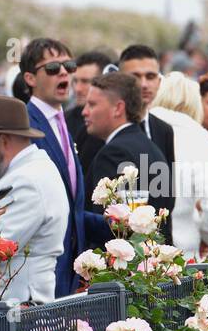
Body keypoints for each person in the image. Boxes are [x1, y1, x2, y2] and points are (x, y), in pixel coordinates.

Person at [0, 96, 69, 303]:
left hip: (18, 310)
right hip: (15, 307)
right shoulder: (31, 171)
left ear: (3, 141)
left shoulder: (27, 180)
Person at [20, 38, 88, 299]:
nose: (63, 73)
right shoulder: (25, 123)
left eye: (69, 66)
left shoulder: (63, 123)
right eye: (51, 68)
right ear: (30, 78)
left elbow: (73, 206)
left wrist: (117, 224)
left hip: (69, 268)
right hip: (40, 271)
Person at [153, 72, 208, 261]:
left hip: (147, 253)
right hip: (188, 254)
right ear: (197, 103)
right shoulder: (199, 138)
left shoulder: (145, 134)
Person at [83, 71, 171, 246]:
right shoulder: (150, 146)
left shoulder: (114, 153)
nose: (84, 112)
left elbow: (110, 227)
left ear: (118, 108)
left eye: (92, 104)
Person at [118, 45, 177, 178]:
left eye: (150, 76)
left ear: (159, 82)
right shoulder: (104, 127)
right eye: (135, 77)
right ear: (119, 80)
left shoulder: (164, 130)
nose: (143, 84)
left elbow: (167, 188)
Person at [68, 49, 112, 186]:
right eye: (75, 81)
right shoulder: (64, 121)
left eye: (86, 82)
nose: (78, 89)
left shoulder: (113, 124)